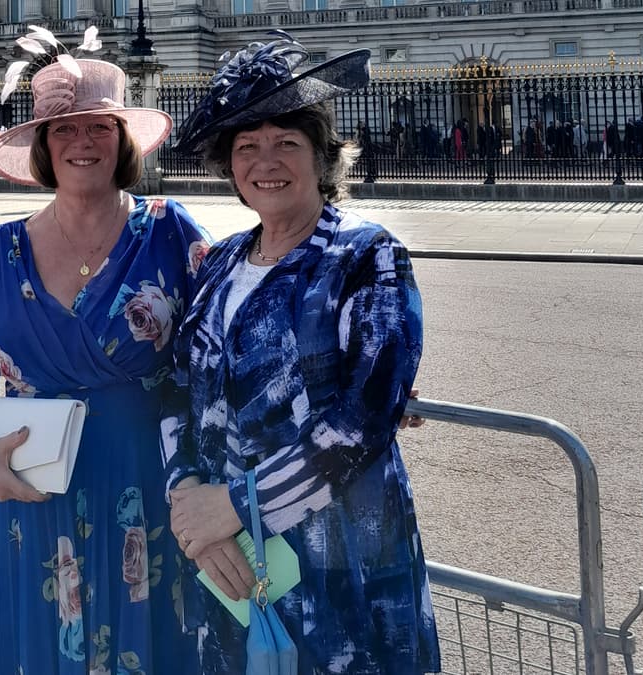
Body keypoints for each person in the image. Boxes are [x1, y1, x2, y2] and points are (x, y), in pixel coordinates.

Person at [163, 32, 440, 674]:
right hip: (228, 561)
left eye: (287, 142)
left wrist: (234, 509)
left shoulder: (366, 256)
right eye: (247, 147)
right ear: (229, 167)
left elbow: (363, 418)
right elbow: (177, 388)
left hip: (339, 557)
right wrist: (187, 502)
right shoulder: (217, 264)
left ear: (323, 157)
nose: (267, 160)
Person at [0, 30, 209, 675]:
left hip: (145, 493)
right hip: (30, 497)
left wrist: (358, 376)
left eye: (98, 128)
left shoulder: (172, 231)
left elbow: (240, 340)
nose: (82, 143)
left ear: (123, 144)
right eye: (64, 130)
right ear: (43, 149)